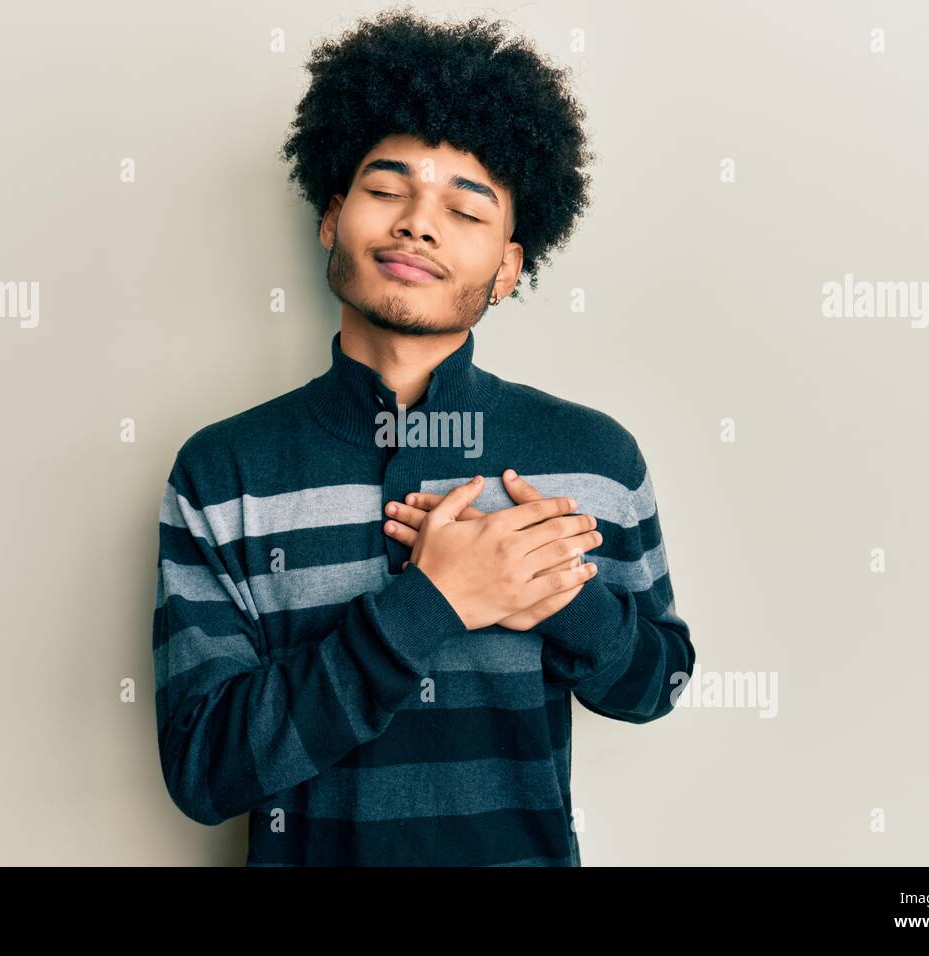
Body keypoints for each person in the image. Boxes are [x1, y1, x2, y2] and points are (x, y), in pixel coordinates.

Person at [152, 7, 694, 866]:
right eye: (386, 190)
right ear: (332, 219)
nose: (417, 224)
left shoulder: (595, 455)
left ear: (510, 268)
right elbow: (203, 769)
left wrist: (567, 600)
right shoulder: (224, 471)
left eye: (465, 210)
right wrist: (430, 603)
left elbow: (658, 685)